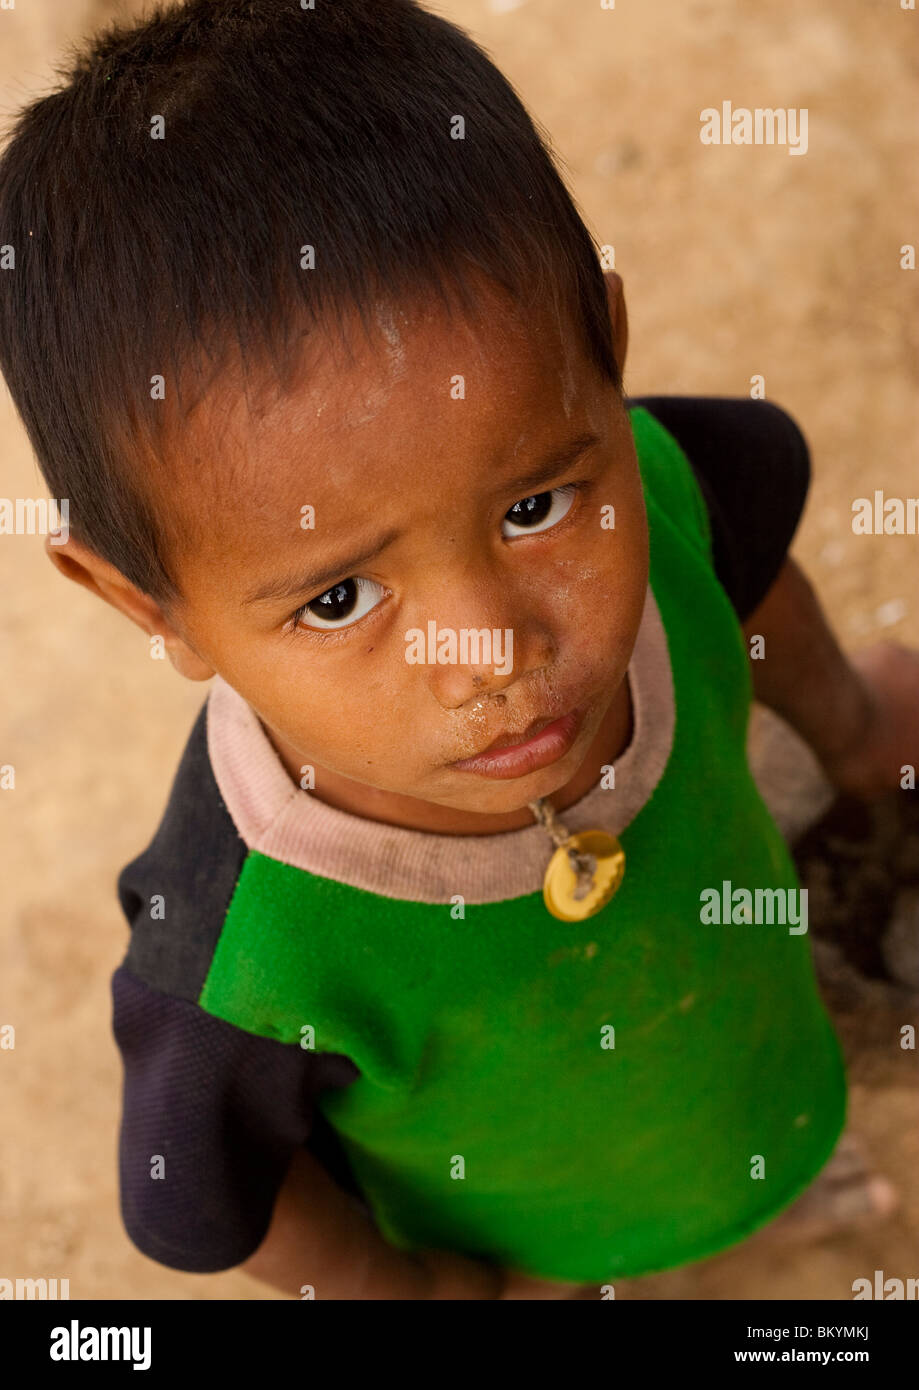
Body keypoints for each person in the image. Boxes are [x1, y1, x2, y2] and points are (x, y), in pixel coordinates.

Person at [0, 0, 914, 1299]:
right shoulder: (243, 960)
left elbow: (753, 563)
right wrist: (407, 1292)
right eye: (336, 599)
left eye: (534, 508)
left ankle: (760, 1188)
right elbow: (207, 1203)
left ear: (606, 348)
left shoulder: (665, 484)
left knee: (758, 1166)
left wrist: (856, 725)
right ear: (149, 602)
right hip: (540, 1237)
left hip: (748, 1076)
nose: (492, 653)